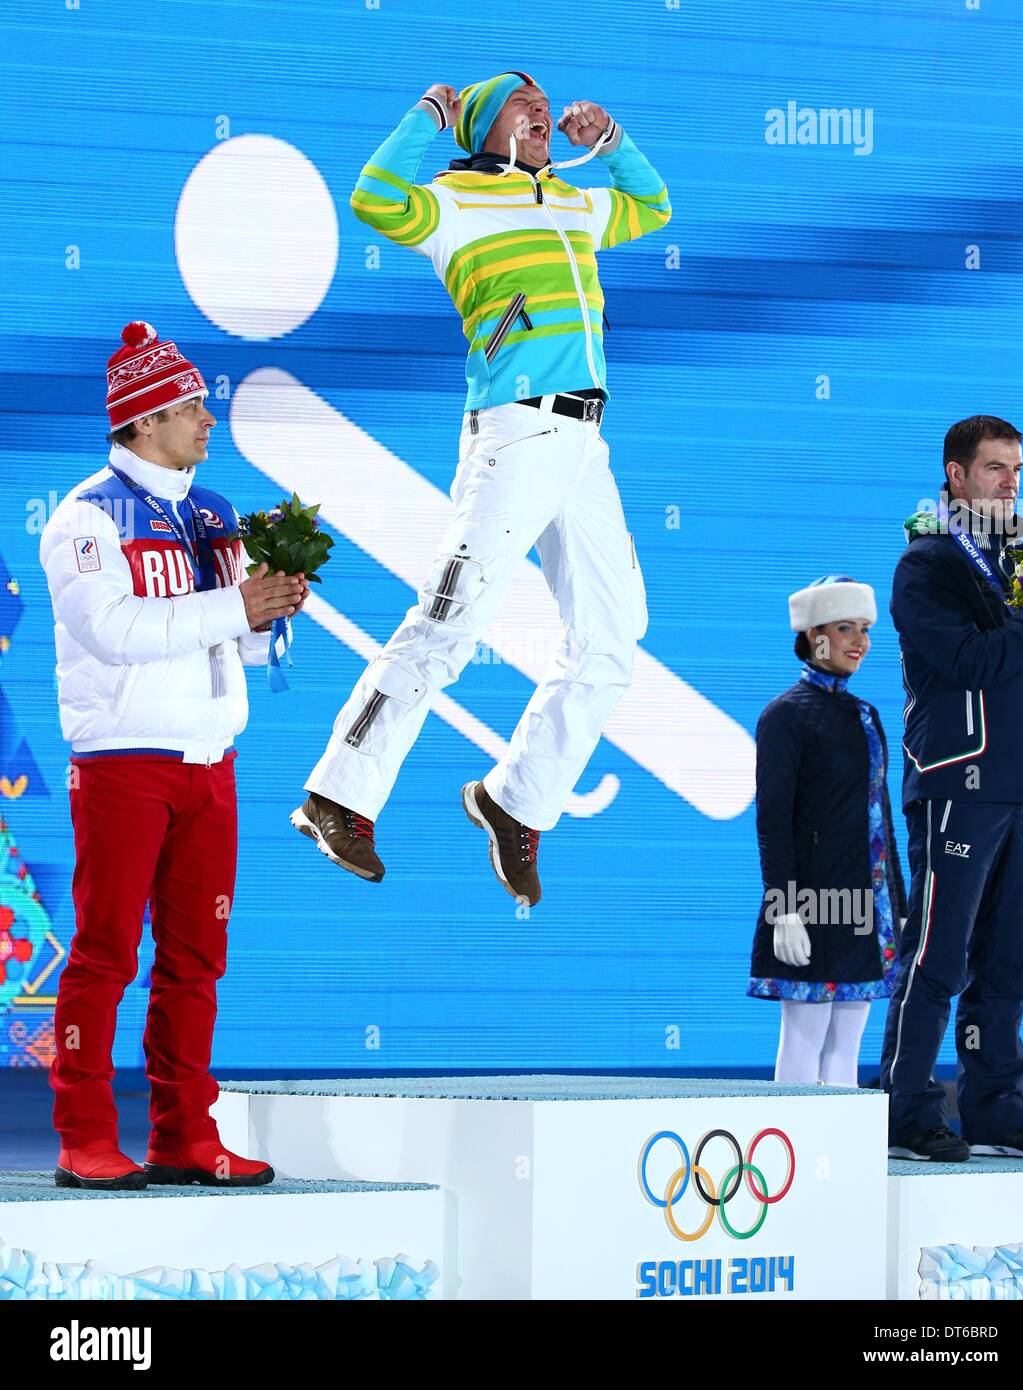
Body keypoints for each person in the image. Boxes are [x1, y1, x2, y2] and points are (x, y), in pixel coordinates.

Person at [292, 71, 670, 906]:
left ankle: (516, 801)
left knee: (615, 638)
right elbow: (372, 198)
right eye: (519, 104)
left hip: (584, 443)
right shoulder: (452, 200)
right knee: (448, 622)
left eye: (545, 102)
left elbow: (651, 206)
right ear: (480, 127)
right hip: (515, 431)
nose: (541, 109)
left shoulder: (572, 199)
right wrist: (428, 112)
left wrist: (609, 141)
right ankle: (336, 793)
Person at [40, 320, 307, 1190]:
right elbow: (113, 633)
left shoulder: (216, 513)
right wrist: (238, 609)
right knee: (108, 951)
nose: (208, 421)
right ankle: (83, 1134)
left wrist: (272, 615)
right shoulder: (86, 517)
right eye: (193, 407)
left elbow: (236, 647)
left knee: (196, 959)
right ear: (144, 419)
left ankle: (186, 1133)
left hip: (209, 761)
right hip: (124, 760)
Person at [882, 415, 1023, 1161]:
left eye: (1018, 470)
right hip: (958, 781)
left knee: (1008, 960)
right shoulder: (928, 565)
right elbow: (969, 660)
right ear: (955, 475)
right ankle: (906, 1108)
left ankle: (994, 1105)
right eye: (995, 470)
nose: (1012, 484)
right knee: (937, 955)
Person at [749, 576, 903, 1085]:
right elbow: (773, 821)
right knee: (804, 1036)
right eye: (845, 628)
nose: (859, 641)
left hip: (863, 903)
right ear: (815, 634)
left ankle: (836, 1159)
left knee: (847, 1046)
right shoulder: (784, 716)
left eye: (864, 629)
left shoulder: (866, 715)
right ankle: (789, 1154)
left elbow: (879, 821)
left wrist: (896, 906)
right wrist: (784, 908)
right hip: (811, 901)